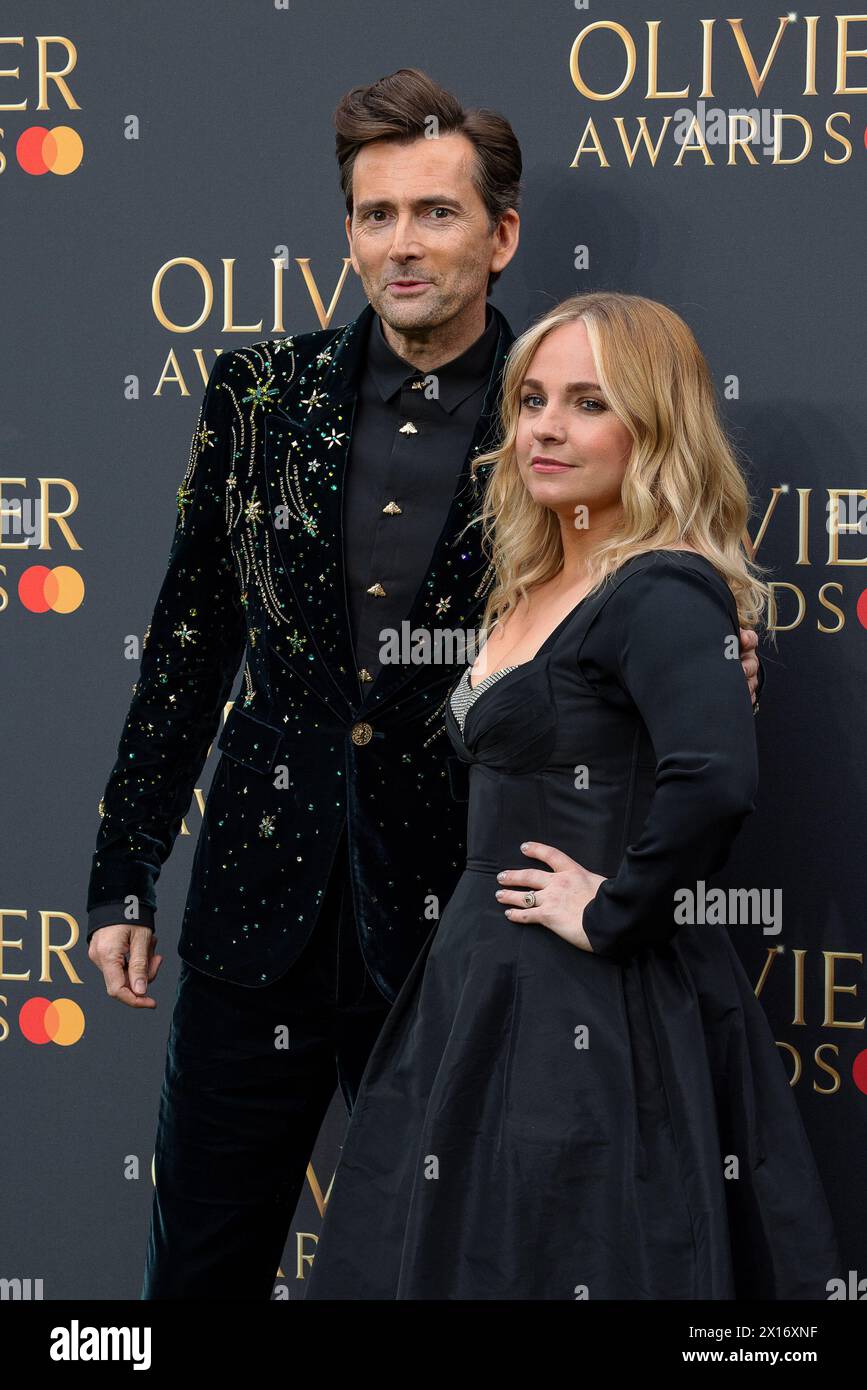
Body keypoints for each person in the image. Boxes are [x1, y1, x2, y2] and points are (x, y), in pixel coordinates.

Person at [84, 69, 762, 1300]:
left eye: (436, 213)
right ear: (348, 230)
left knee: (436, 1271)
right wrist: (123, 868)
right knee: (196, 1272)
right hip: (257, 913)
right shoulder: (256, 395)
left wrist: (714, 656)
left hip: (460, 929)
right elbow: (188, 644)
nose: (403, 244)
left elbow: (628, 598)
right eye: (376, 213)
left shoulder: (553, 407)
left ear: (500, 235)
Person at [303, 291, 842, 1301]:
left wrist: (610, 908)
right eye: (534, 400)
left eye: (589, 403)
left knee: (567, 1249)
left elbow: (715, 778)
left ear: (656, 426)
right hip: (479, 979)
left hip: (590, 1004)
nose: (546, 428)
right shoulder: (534, 578)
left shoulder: (661, 585)